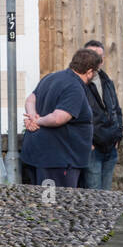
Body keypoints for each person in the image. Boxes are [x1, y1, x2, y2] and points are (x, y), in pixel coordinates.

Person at [20, 48, 98, 188]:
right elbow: (58, 118)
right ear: (89, 72)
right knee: (52, 205)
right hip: (57, 162)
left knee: (42, 204)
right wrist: (37, 120)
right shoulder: (74, 87)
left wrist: (32, 116)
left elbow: (30, 99)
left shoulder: (51, 77)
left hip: (39, 155)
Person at [80, 40, 123, 190]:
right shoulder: (79, 83)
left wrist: (119, 135)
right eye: (92, 55)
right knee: (94, 196)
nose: (96, 59)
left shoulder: (107, 81)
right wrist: (87, 141)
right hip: (92, 149)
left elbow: (116, 110)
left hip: (110, 148)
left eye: (99, 56)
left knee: (107, 196)